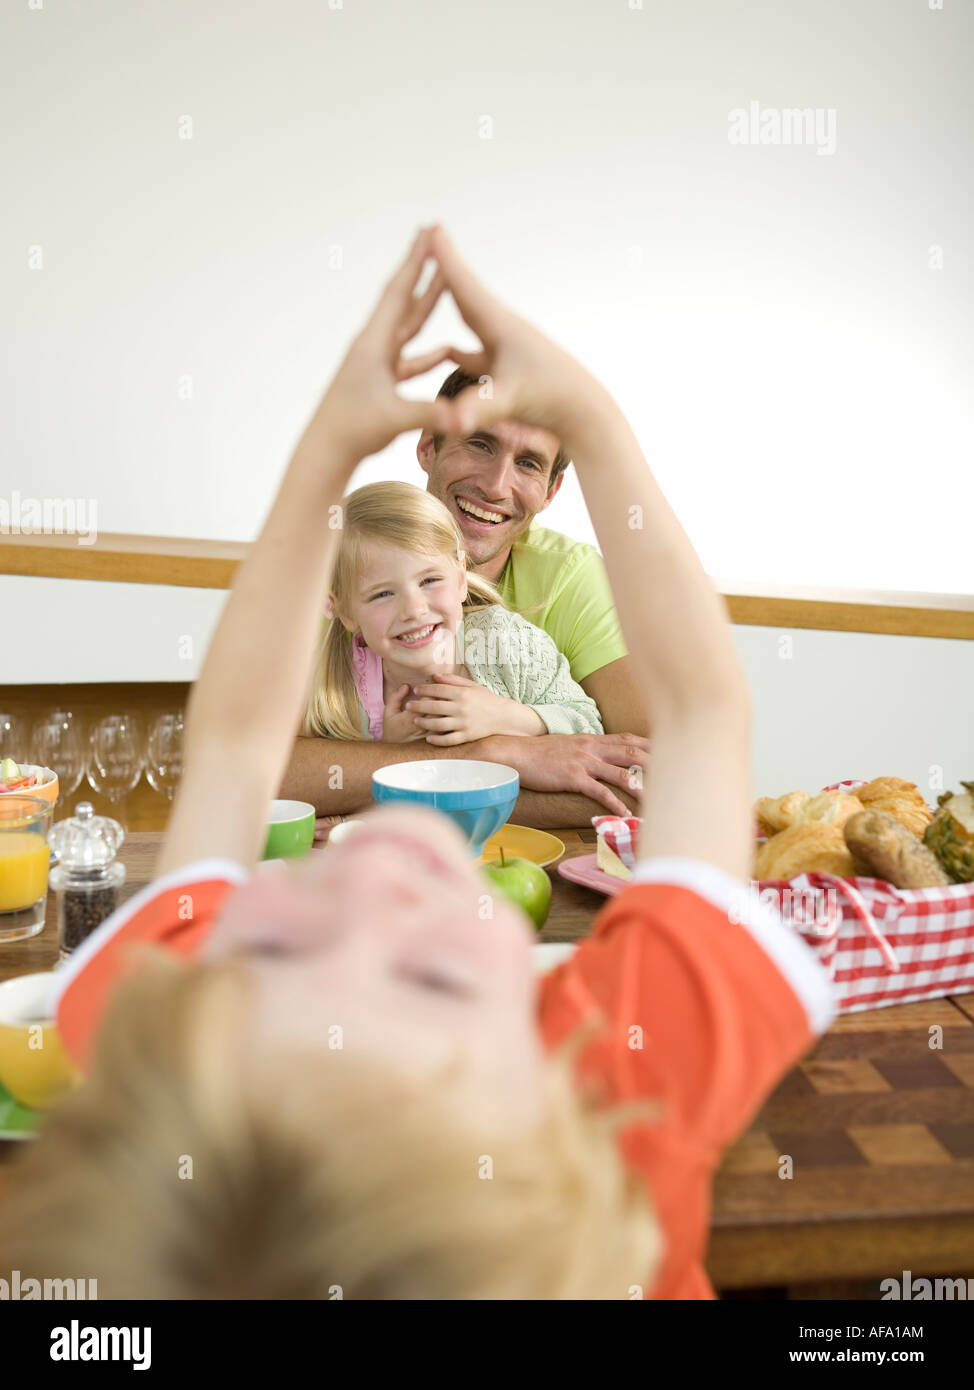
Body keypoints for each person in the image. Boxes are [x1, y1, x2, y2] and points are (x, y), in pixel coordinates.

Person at [0, 226, 834, 1299]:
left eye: (287, 940)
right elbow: (703, 715)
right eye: (430, 972)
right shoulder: (595, 1126)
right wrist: (585, 410)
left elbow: (231, 745)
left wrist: (326, 447)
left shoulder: (177, 1053)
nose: (377, 864)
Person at [303, 480, 603, 745]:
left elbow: (589, 727)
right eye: (383, 594)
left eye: (429, 581)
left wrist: (509, 718)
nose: (414, 609)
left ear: (461, 579)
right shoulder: (341, 686)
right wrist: (389, 752)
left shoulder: (509, 642)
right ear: (345, 612)